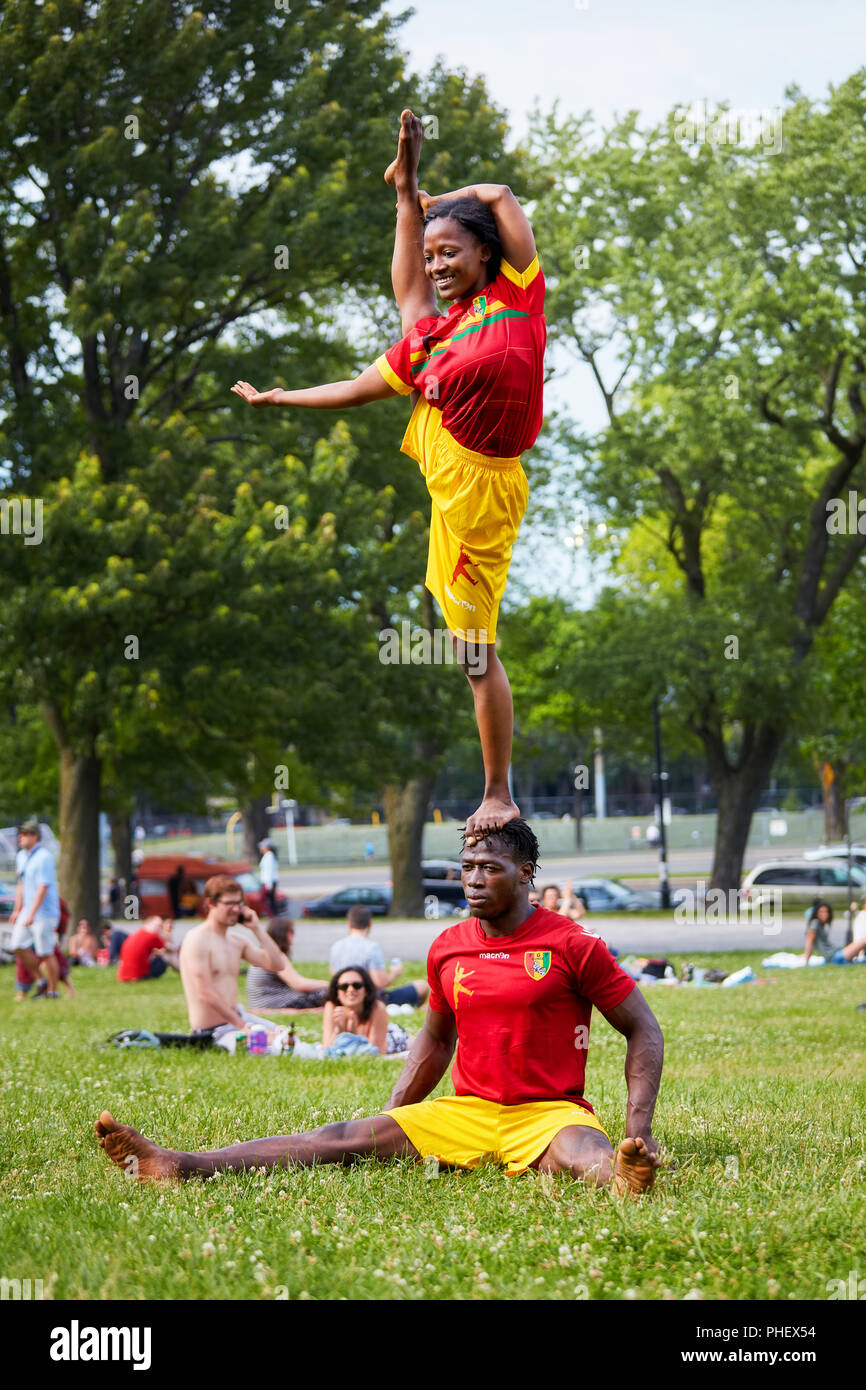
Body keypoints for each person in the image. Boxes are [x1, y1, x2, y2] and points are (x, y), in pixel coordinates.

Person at [231, 109, 546, 847]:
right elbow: (352, 387)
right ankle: (398, 195)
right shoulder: (438, 334)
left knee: (475, 652)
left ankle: (499, 788)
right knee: (415, 324)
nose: (438, 264)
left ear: (483, 254)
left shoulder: (517, 295)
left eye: (450, 252)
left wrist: (427, 194)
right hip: (452, 472)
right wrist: (280, 397)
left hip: (483, 487)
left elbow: (498, 194)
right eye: (429, 252)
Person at [94, 820, 663, 1194]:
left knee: (586, 1150)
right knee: (341, 1136)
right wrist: (395, 1116)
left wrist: (640, 1128)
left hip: (548, 1112)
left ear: (526, 874)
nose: (473, 879)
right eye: (467, 867)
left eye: (490, 867)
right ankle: (176, 1164)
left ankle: (625, 1175)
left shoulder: (572, 943)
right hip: (466, 1112)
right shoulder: (448, 946)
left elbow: (643, 1030)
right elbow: (437, 1041)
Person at [177, 875, 291, 1049]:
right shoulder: (197, 939)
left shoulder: (237, 941)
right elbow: (205, 993)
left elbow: (278, 965)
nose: (236, 909)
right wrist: (244, 1027)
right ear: (210, 904)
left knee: (287, 1039)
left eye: (239, 903)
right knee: (270, 1047)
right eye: (229, 903)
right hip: (213, 1031)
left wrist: (257, 929)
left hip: (238, 1019)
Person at [329, 905, 429, 1008]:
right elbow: (380, 982)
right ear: (370, 923)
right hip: (371, 1000)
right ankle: (418, 1007)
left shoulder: (336, 947)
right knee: (422, 986)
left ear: (349, 924)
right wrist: (394, 973)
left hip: (345, 998)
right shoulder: (371, 948)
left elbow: (335, 978)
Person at [10, 820, 62, 998]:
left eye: (25, 834)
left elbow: (43, 887)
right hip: (27, 910)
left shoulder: (44, 857)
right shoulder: (21, 856)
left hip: (45, 912)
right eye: (20, 834)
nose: (20, 837)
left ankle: (53, 992)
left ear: (35, 837)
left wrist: (32, 914)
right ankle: (41, 980)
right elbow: (21, 884)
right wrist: (18, 910)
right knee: (17, 945)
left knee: (45, 952)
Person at [322, 967, 410, 1056]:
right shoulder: (331, 1007)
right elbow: (327, 1049)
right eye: (344, 987)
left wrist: (353, 1035)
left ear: (366, 990)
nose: (350, 990)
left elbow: (376, 1052)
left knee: (418, 1047)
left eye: (357, 985)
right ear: (337, 992)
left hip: (392, 1037)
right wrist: (338, 1030)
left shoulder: (377, 1007)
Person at [246, 919, 328, 1012]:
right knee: (327, 993)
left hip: (261, 1003)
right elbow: (299, 984)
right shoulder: (276, 956)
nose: (293, 936)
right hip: (277, 1003)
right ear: (283, 934)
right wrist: (329, 984)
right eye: (292, 932)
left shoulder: (263, 953)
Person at [803, 901, 866, 966]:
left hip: (836, 953)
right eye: (821, 912)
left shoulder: (819, 925)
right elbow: (809, 942)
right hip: (834, 957)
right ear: (816, 913)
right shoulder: (814, 923)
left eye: (826, 912)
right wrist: (806, 962)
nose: (825, 914)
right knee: (864, 940)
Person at [258, 840, 279, 917]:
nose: (260, 848)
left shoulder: (269, 856)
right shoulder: (268, 856)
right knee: (271, 900)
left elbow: (269, 871)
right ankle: (274, 916)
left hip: (268, 882)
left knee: (263, 900)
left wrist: (268, 885)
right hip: (269, 882)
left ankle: (272, 916)